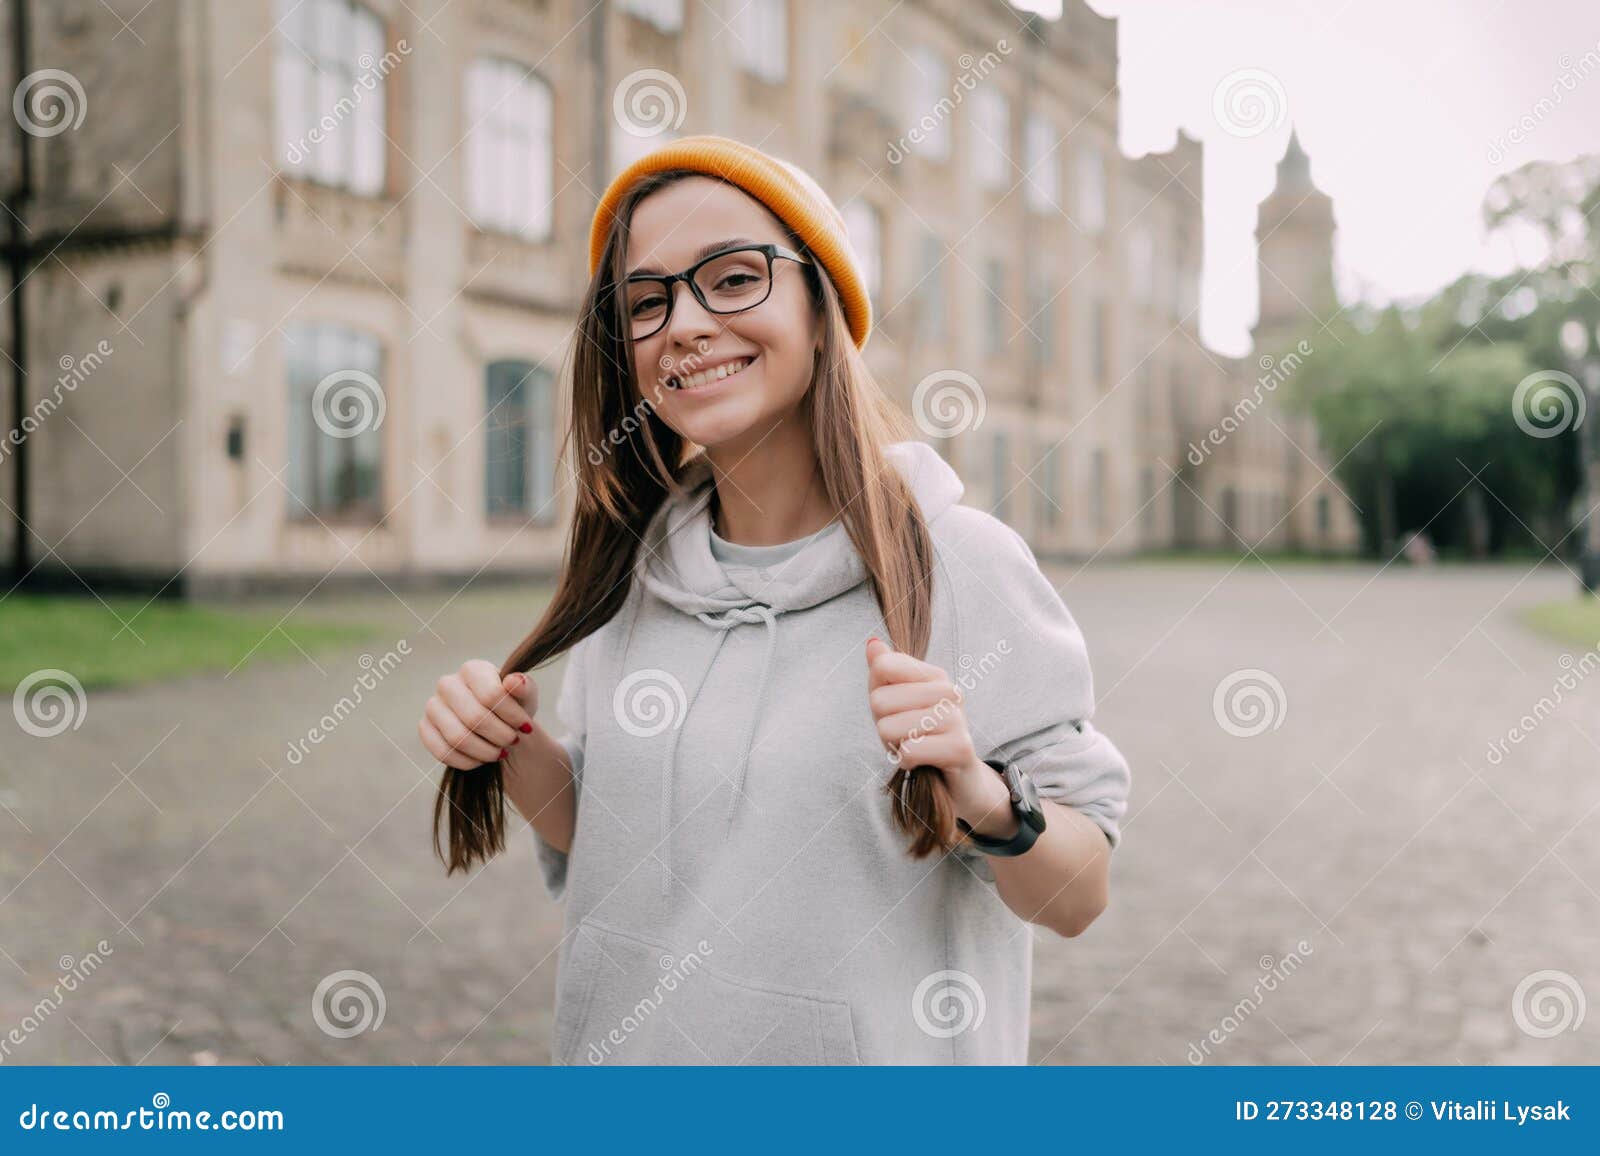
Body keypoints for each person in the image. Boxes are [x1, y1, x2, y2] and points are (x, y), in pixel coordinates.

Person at [418, 135, 1131, 1064]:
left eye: (733, 277)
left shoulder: (960, 563)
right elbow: (611, 845)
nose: (683, 323)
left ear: (821, 304)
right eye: (645, 301)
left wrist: (983, 796)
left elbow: (1077, 896)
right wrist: (509, 748)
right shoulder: (629, 577)